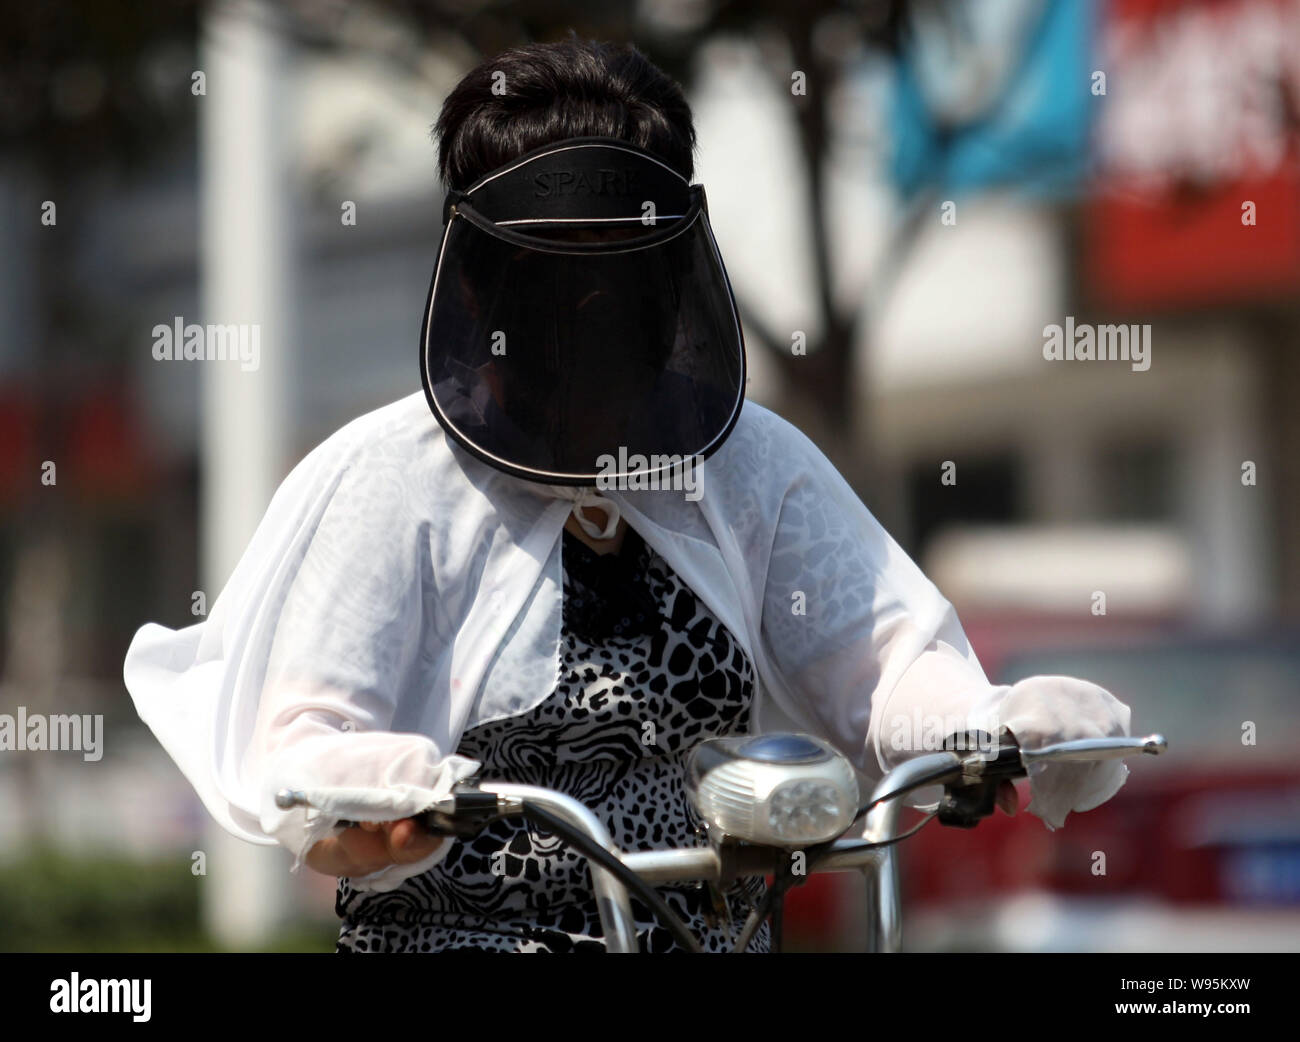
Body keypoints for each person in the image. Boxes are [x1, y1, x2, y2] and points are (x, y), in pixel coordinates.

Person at [123, 37, 1132, 954]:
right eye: (560, 284)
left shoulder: (746, 465)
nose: (594, 313)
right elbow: (308, 760)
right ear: (479, 288)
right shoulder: (387, 484)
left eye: (625, 276)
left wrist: (983, 723)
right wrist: (387, 804)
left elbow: (876, 661)